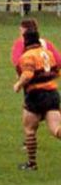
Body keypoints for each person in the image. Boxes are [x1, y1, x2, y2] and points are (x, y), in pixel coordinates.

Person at [14, 28, 61, 171]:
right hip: (52, 94)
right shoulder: (48, 54)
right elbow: (57, 72)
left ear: (26, 41)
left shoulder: (28, 56)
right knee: (56, 129)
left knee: (29, 130)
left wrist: (18, 85)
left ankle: (32, 163)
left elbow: (28, 75)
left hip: (36, 95)